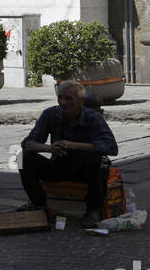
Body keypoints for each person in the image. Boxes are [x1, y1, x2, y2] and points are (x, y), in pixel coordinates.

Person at [18, 80, 118, 228]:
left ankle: (93, 210)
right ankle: (39, 206)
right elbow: (27, 143)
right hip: (58, 165)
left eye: (69, 98)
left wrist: (72, 145)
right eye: (61, 97)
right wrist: (50, 148)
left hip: (83, 168)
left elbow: (110, 147)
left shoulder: (93, 117)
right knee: (23, 157)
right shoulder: (50, 114)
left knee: (101, 160)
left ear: (81, 101)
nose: (63, 103)